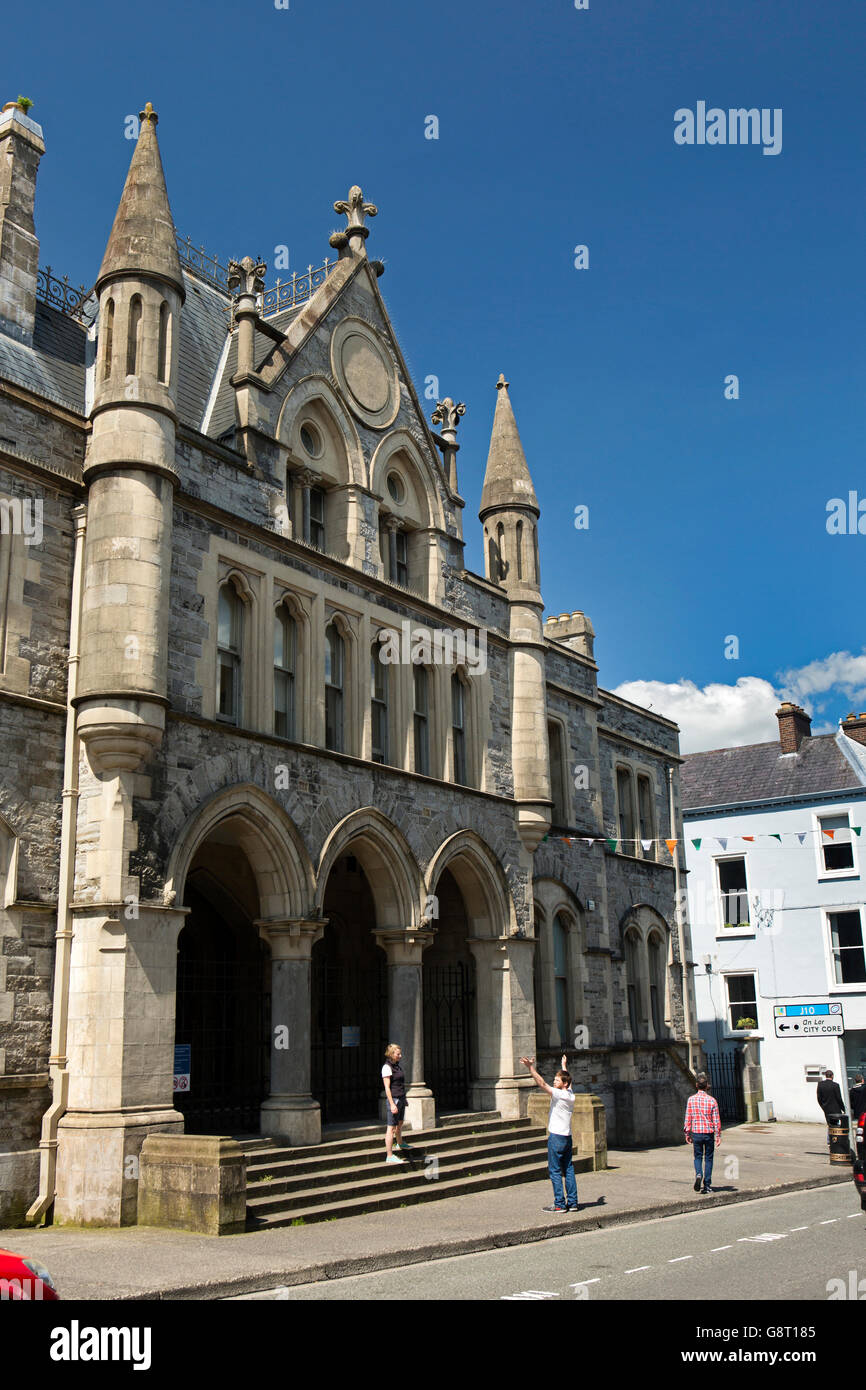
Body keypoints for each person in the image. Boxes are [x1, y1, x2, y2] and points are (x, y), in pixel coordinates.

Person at [520, 1053, 578, 1213]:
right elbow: (568, 1080)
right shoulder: (571, 1095)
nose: (554, 1081)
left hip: (557, 1137)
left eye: (557, 1080)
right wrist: (564, 1066)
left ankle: (559, 1203)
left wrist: (530, 1067)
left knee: (555, 1170)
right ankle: (572, 1203)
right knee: (569, 1169)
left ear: (564, 1084)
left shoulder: (559, 1094)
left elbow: (542, 1083)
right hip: (567, 1137)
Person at [684, 1072, 721, 1194]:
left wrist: (687, 1133)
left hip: (697, 1133)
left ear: (696, 1085)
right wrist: (718, 1135)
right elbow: (716, 1120)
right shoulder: (712, 1101)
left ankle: (698, 1173)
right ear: (706, 1086)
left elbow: (688, 1117)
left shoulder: (691, 1100)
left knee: (698, 1156)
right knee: (709, 1158)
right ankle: (707, 1185)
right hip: (708, 1133)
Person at [382, 1042, 409, 1165]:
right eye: (398, 1054)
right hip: (394, 1099)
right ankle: (389, 1155)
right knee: (391, 1128)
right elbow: (387, 1088)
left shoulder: (397, 1066)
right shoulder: (387, 1067)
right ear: (392, 1054)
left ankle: (400, 1142)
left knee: (400, 1123)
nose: (400, 1056)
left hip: (401, 1098)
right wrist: (392, 1104)